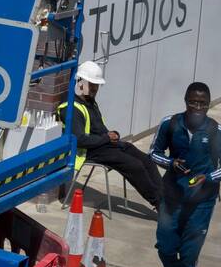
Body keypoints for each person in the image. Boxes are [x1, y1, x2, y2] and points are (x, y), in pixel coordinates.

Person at [148, 82, 221, 267]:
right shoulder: (170, 124)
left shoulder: (218, 131)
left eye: (203, 103)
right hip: (172, 197)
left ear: (208, 105)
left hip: (202, 202)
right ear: (185, 101)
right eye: (193, 102)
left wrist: (208, 178)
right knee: (165, 244)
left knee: (189, 252)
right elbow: (153, 153)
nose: (197, 107)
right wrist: (169, 163)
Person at [56, 61, 162, 210]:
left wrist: (111, 135)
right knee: (135, 166)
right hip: (89, 152)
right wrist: (106, 138)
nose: (94, 88)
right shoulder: (71, 107)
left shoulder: (89, 101)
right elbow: (79, 140)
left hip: (103, 144)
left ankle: (166, 200)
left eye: (96, 85)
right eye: (91, 84)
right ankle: (160, 204)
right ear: (79, 81)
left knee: (147, 161)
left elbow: (98, 129)